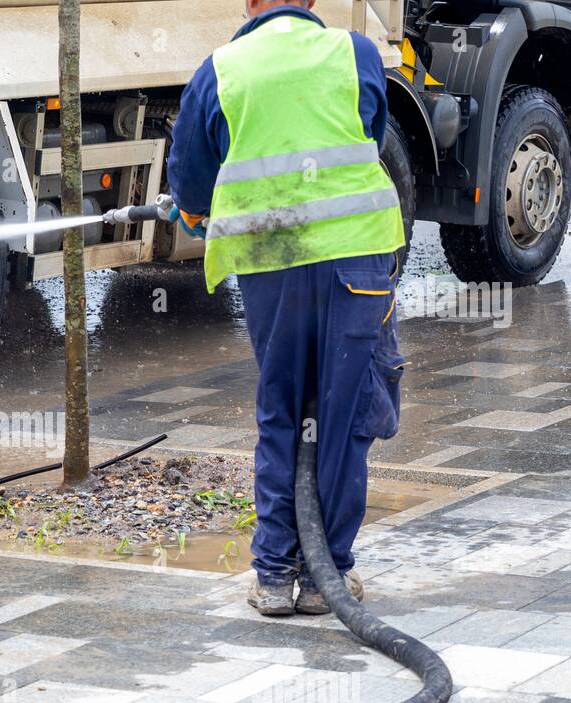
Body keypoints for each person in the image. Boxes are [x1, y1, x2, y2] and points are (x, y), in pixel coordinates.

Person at [166, 0, 406, 616]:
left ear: (248, 3)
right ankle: (330, 574)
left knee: (281, 409)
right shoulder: (353, 53)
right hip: (356, 261)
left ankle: (274, 575)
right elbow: (369, 135)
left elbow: (191, 182)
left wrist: (194, 212)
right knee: (344, 412)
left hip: (271, 263)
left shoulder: (221, 69)